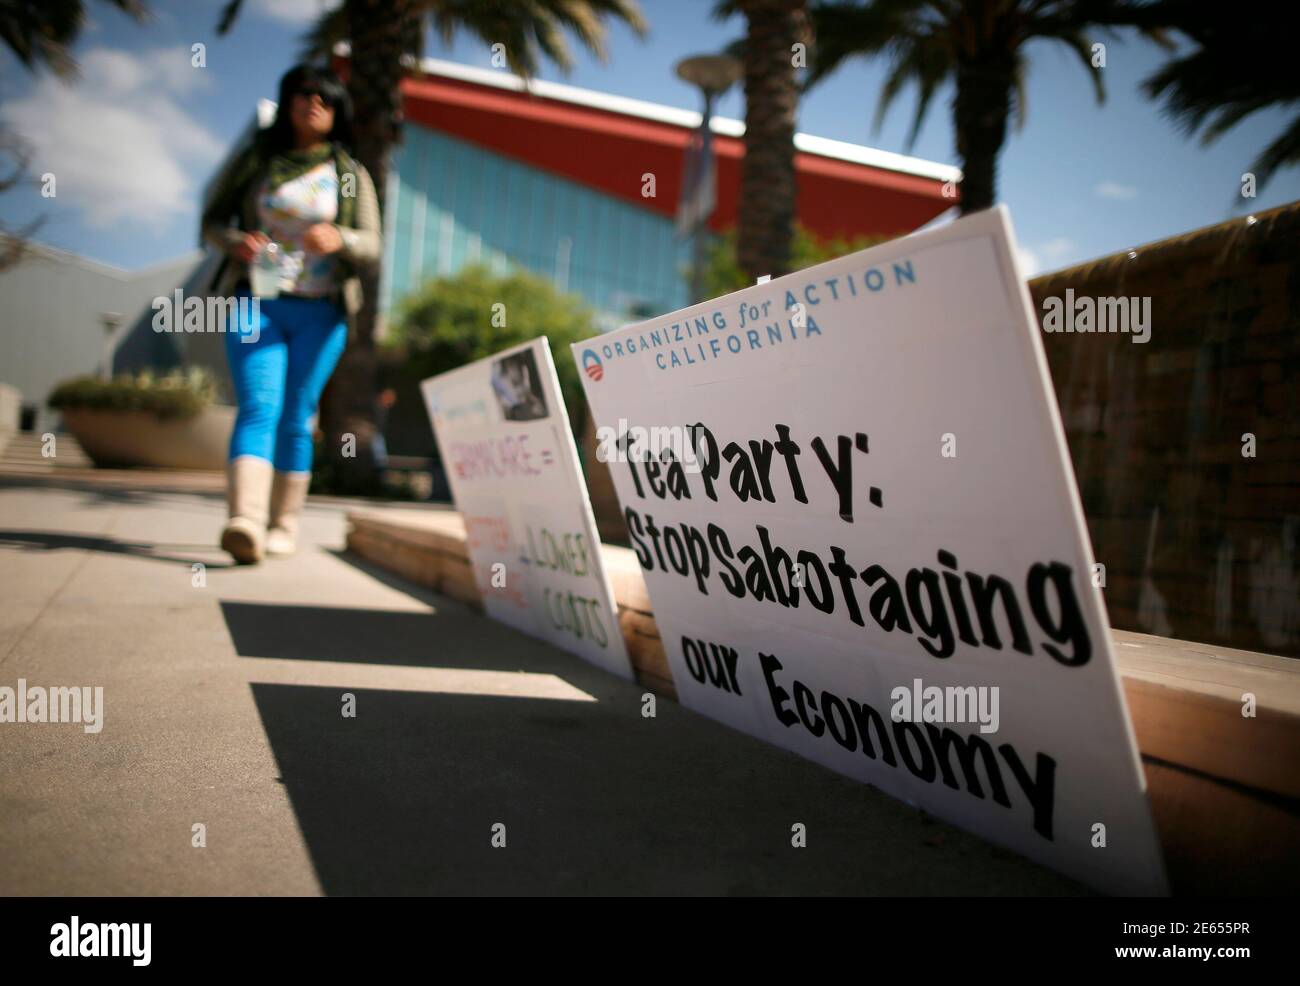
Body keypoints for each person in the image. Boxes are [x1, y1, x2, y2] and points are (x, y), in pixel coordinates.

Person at [201, 64, 381, 564]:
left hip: (321, 312)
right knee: (260, 404)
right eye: (302, 94)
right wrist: (238, 241)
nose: (312, 102)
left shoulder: (349, 175)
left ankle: (284, 524)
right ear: (288, 101)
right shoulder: (257, 160)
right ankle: (245, 521)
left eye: (324, 96)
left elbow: (373, 244)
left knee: (299, 415)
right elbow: (212, 222)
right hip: (256, 303)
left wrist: (341, 238)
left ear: (336, 109)